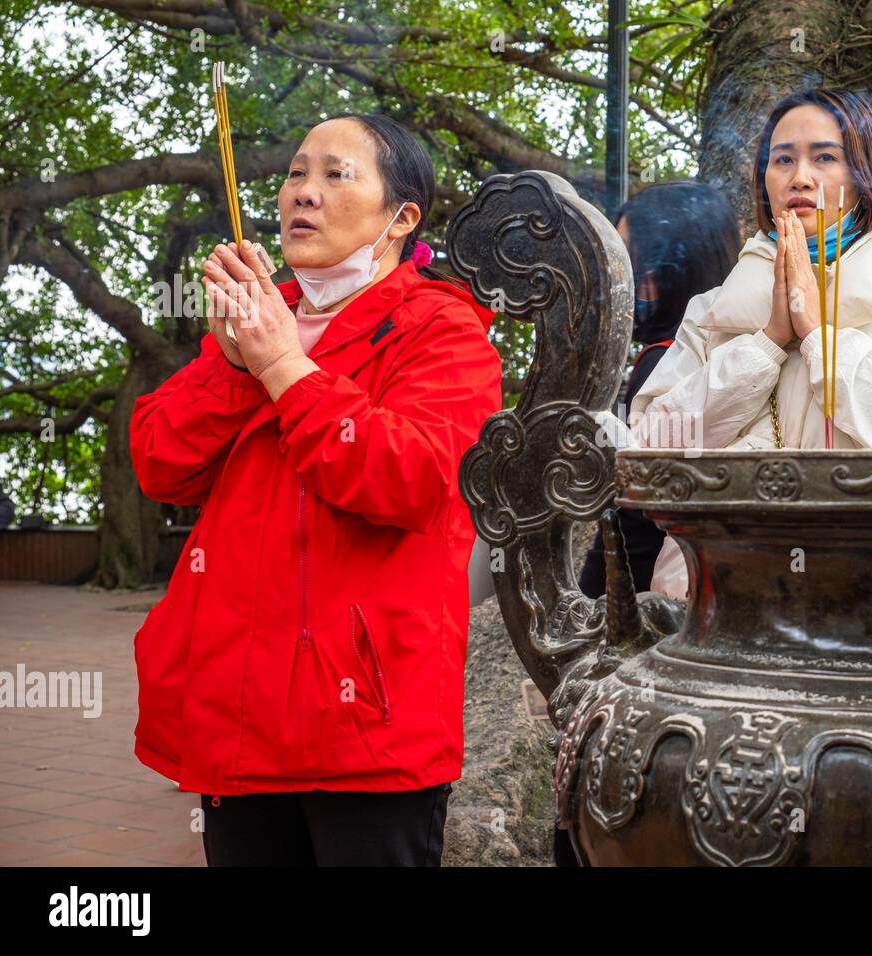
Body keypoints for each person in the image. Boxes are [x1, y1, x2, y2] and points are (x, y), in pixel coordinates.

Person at [129, 113, 502, 866]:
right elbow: (161, 465)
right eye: (297, 173)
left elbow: (412, 478)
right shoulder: (264, 323)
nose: (305, 192)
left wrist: (281, 368)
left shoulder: (441, 331)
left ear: (401, 219)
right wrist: (234, 366)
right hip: (239, 708)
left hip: (366, 716)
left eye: (337, 175)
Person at [631, 87, 872, 598]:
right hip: (711, 596)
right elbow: (650, 451)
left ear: (866, 178)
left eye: (825, 158)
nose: (800, 178)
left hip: (867, 597)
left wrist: (821, 338)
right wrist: (767, 343)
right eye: (783, 160)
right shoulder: (711, 312)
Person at [577, 181, 740, 600]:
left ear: (675, 264)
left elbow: (636, 519)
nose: (624, 275)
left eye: (633, 257)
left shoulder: (663, 360)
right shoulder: (742, 347)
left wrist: (593, 609)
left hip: (662, 603)